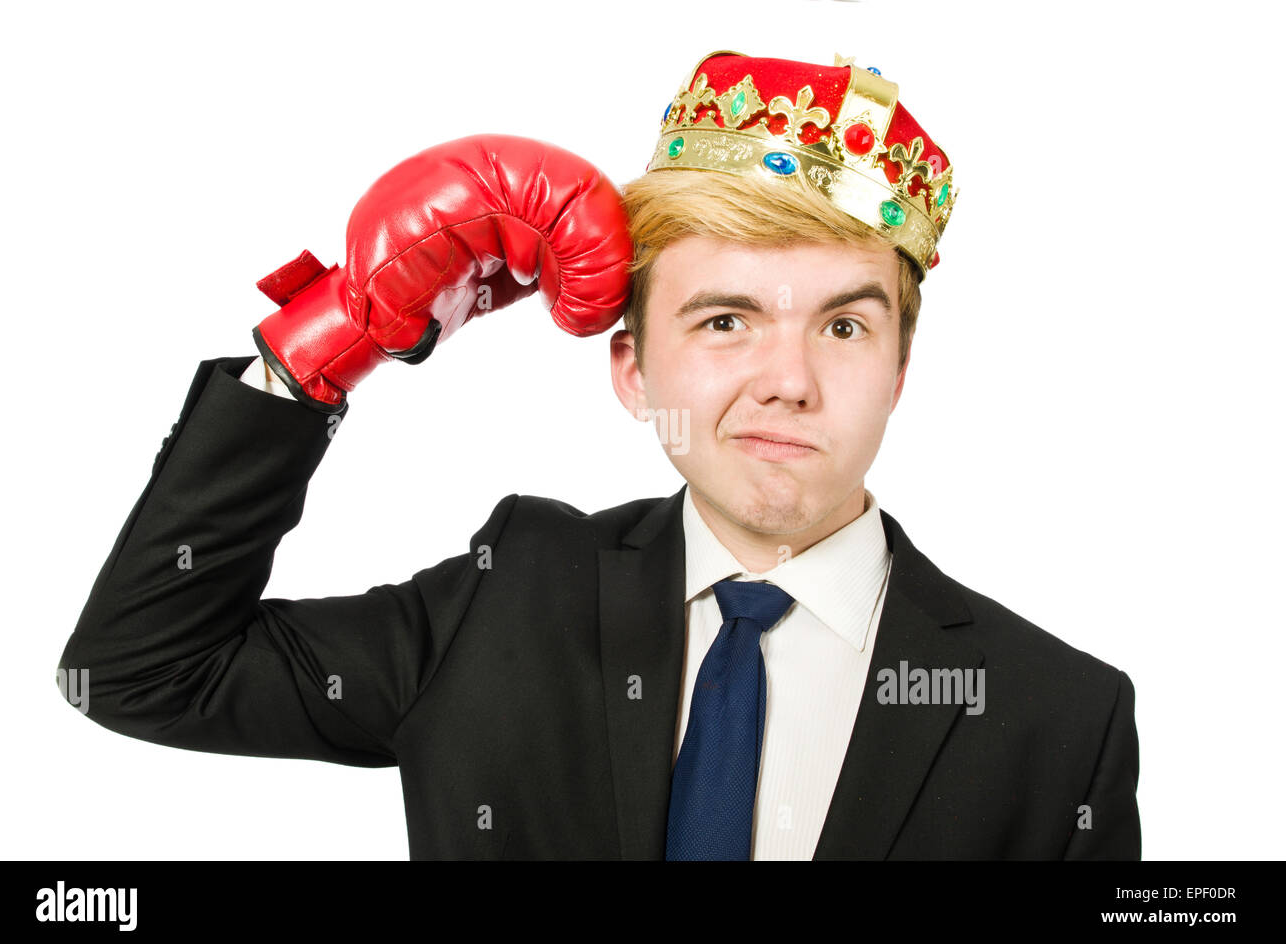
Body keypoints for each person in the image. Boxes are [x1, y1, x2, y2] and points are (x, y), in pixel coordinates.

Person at [57, 50, 1141, 860]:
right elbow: (135, 671)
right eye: (724, 322)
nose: (790, 379)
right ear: (631, 370)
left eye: (844, 326)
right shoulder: (504, 603)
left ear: (899, 370)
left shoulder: (1058, 717)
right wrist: (320, 348)